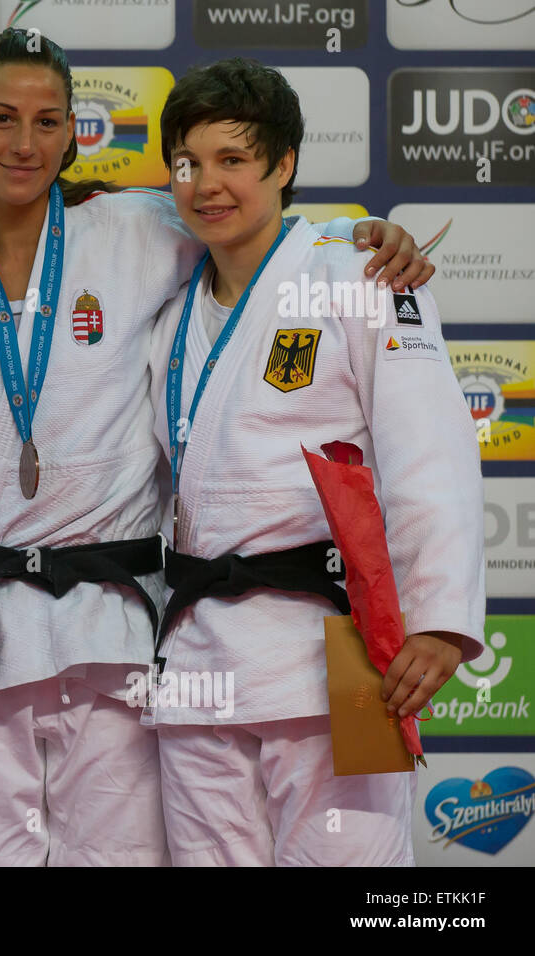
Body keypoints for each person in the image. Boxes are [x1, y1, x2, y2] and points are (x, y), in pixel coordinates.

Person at [0, 28, 433, 866]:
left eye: (48, 120)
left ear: (73, 131)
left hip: (115, 616)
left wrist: (371, 239)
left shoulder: (138, 227)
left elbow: (262, 228)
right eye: (3, 118)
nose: (25, 143)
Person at [146, 58, 483, 866]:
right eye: (190, 163)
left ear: (284, 164)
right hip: (198, 663)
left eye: (234, 159)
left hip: (336, 654)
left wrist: (437, 623)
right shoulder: (169, 310)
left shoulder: (358, 273)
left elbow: (430, 446)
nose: (208, 185)